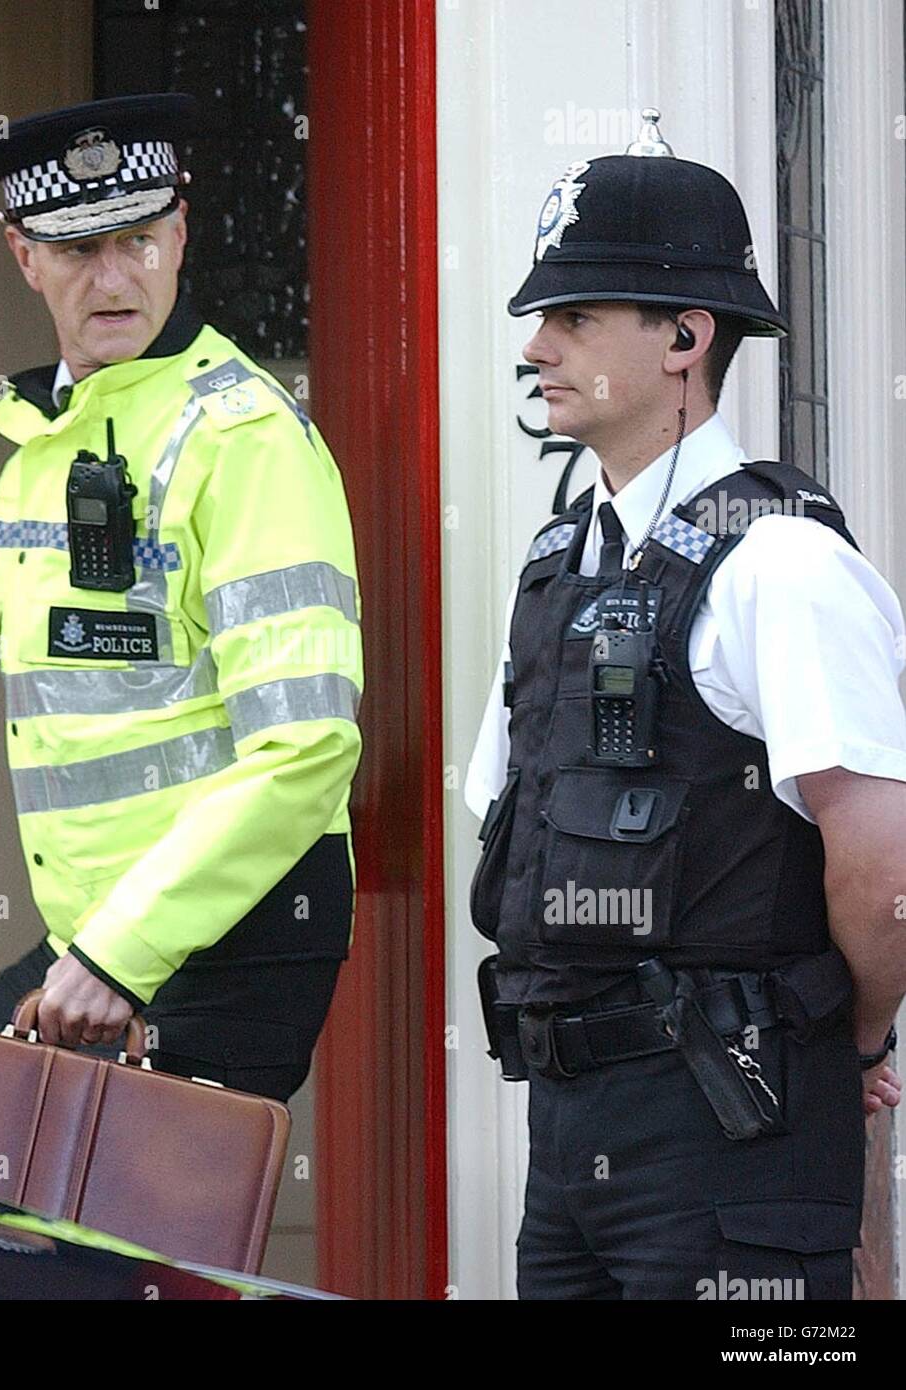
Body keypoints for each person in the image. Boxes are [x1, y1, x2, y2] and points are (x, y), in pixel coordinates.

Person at [467, 112, 906, 1299]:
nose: (540, 347)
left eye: (575, 316)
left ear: (684, 337)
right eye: (540, 320)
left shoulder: (783, 563)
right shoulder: (564, 562)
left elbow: (881, 872)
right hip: (568, 1136)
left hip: (732, 1126)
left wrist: (849, 1039)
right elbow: (508, 826)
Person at [0, 94, 363, 1103]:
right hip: (98, 941)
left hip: (224, 939)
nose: (115, 276)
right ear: (24, 256)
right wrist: (95, 947)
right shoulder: (38, 445)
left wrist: (118, 954)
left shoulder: (244, 438)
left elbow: (306, 746)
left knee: (127, 1256)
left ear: (180, 233)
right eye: (79, 248)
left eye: (139, 239)